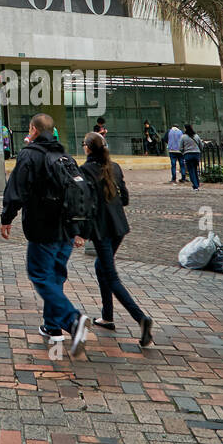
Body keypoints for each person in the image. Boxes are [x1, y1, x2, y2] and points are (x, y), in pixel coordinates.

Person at [0, 112, 90, 354]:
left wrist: (7, 218)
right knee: (55, 277)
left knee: (39, 274)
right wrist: (79, 230)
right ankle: (52, 327)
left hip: (44, 228)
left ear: (33, 130)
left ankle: (73, 320)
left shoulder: (30, 155)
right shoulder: (64, 155)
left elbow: (16, 189)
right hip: (66, 230)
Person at [81, 132, 153, 347]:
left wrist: (82, 231)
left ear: (88, 148)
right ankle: (107, 316)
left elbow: (86, 203)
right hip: (118, 226)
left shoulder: (85, 170)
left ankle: (141, 318)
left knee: (111, 276)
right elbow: (125, 198)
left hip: (102, 229)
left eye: (85, 144)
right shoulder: (115, 167)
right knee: (101, 267)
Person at [180, 123, 203, 191]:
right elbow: (201, 145)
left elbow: (180, 147)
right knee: (195, 169)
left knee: (191, 170)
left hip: (188, 154)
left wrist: (183, 152)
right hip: (196, 154)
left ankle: (195, 185)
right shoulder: (196, 136)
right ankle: (197, 183)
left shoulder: (183, 137)